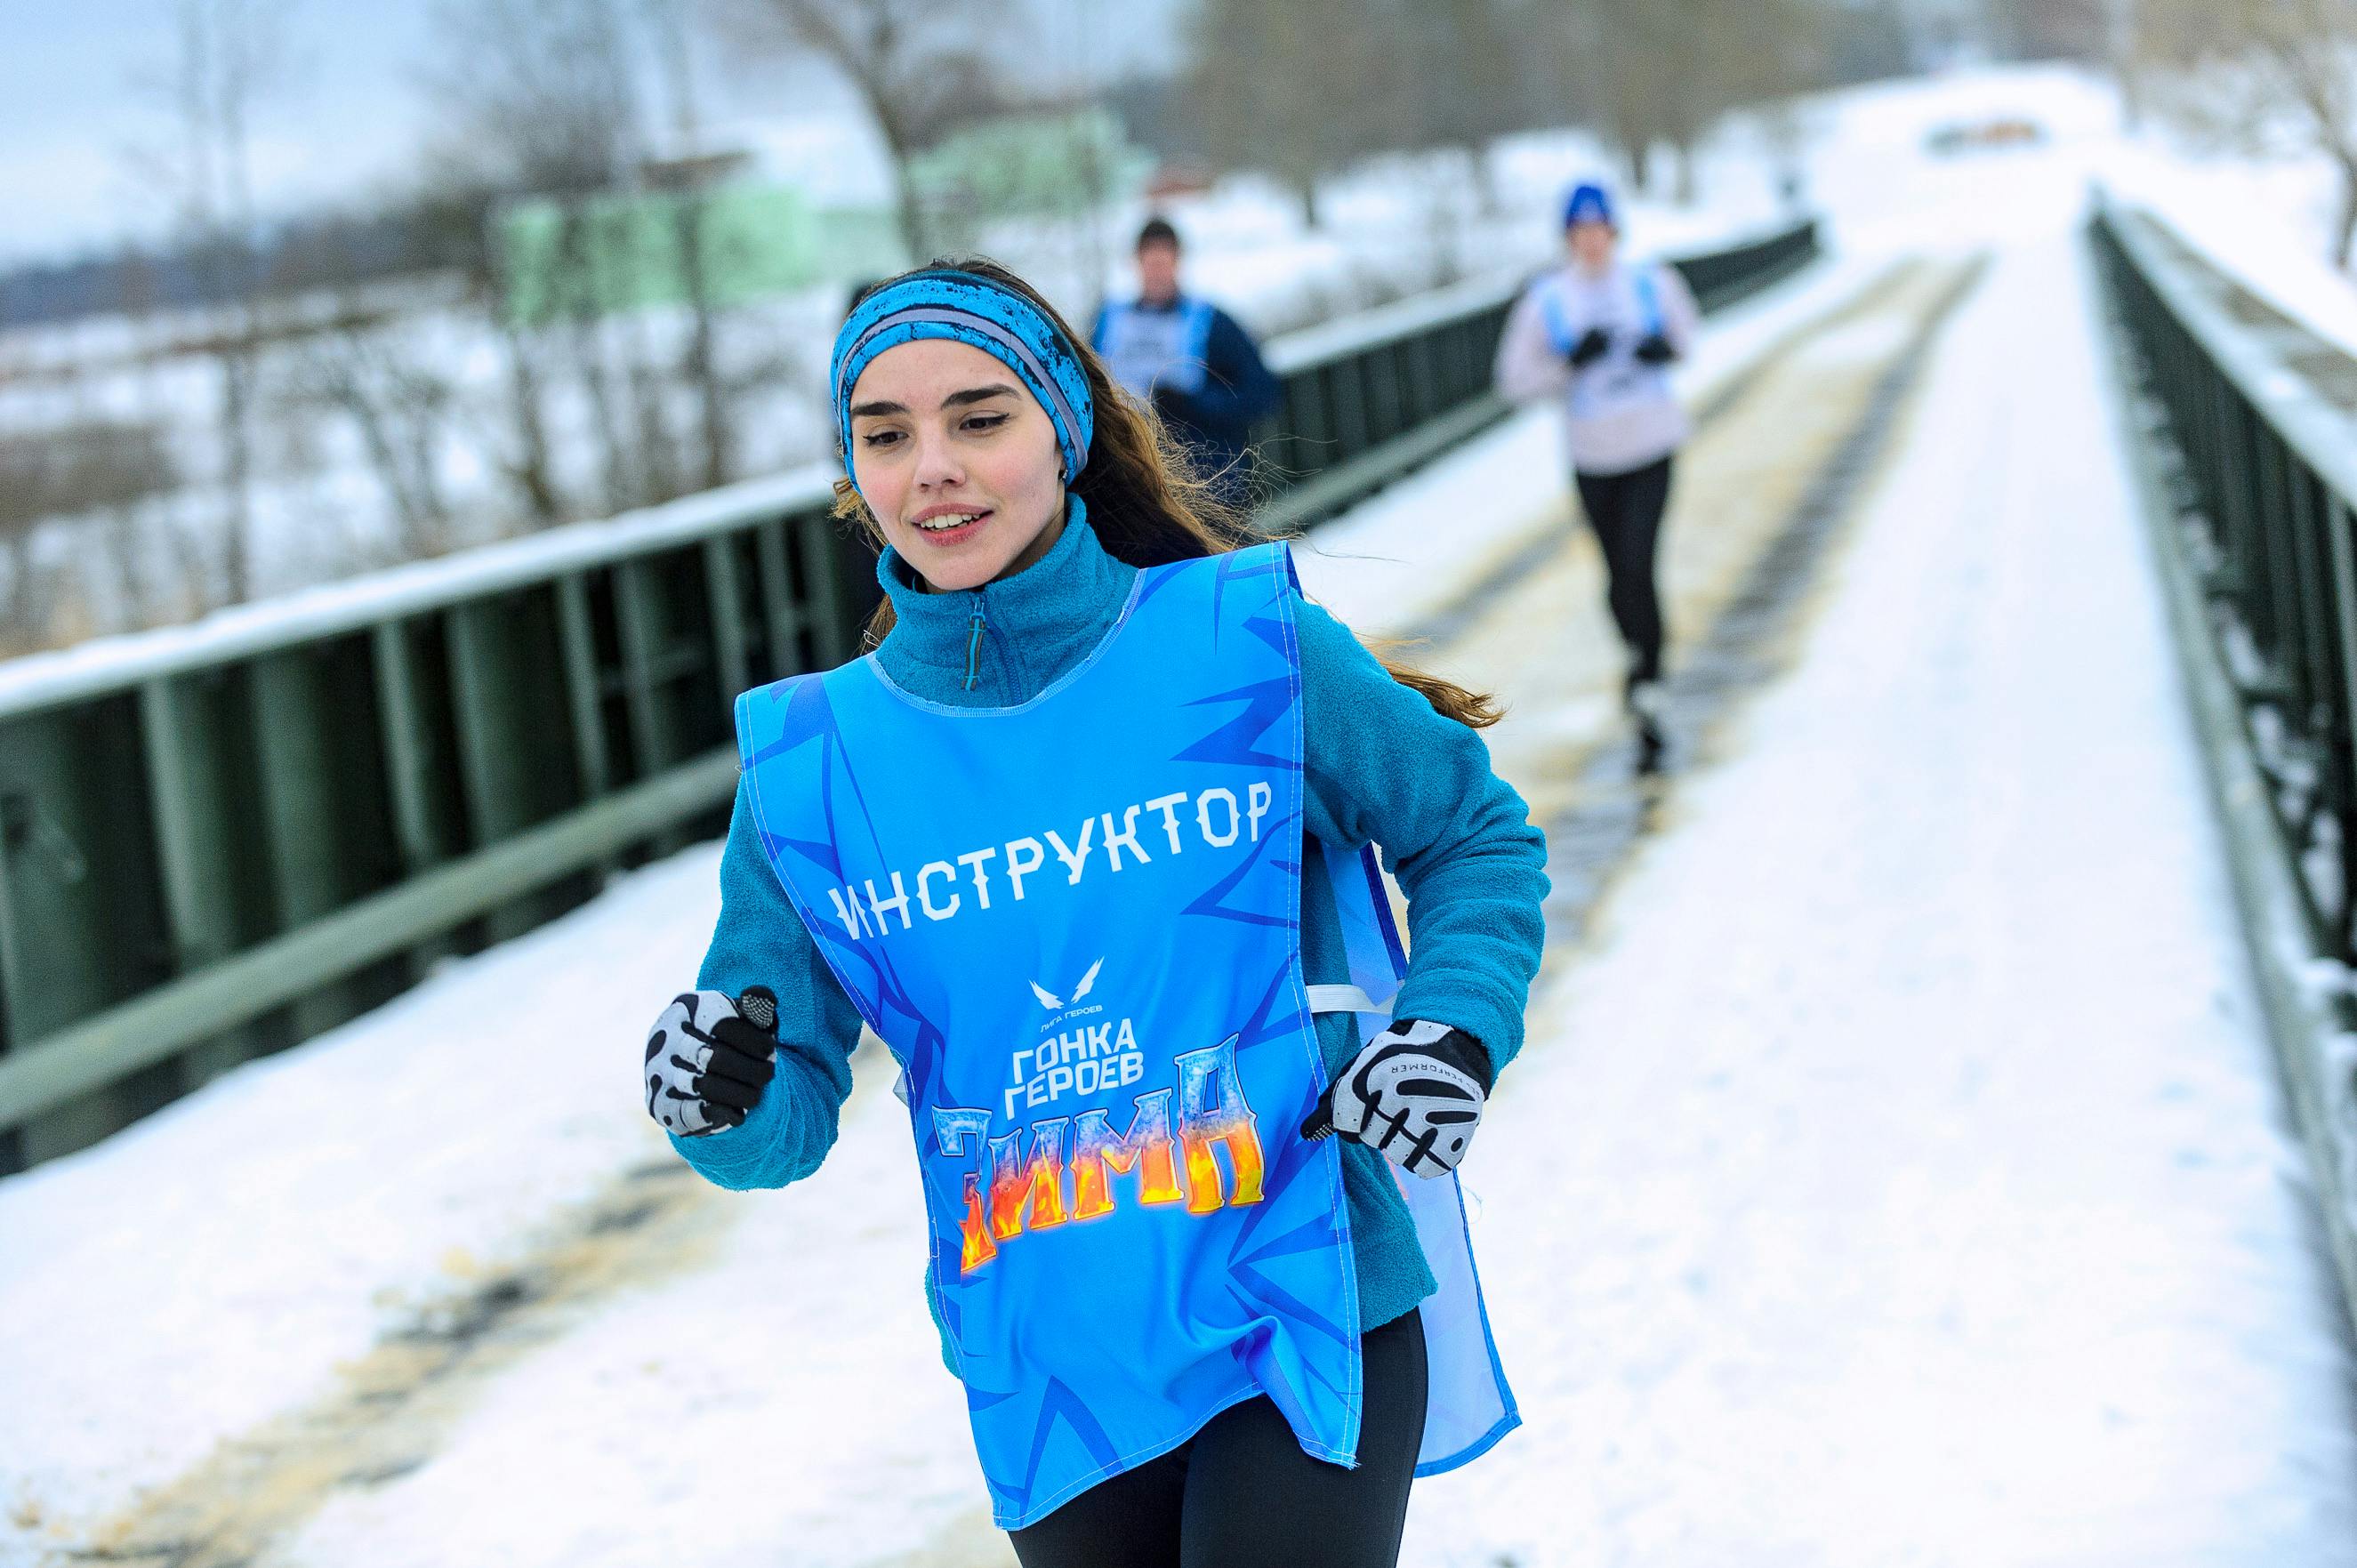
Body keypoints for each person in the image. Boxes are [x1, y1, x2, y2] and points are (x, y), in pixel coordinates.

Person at [641, 256, 1549, 1566]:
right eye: (885, 435)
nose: (933, 467)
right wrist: (714, 1097)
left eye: (979, 417)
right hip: (1050, 1374)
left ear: (1063, 427)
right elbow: (777, 1121)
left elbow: (1471, 831)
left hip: (1297, 1293)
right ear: (853, 472)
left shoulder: (1242, 647)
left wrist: (1450, 1026)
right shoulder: (814, 764)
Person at [1493, 181, 1701, 766]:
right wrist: (1567, 365)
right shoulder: (1546, 300)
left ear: (1614, 231)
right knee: (1616, 572)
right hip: (1593, 457)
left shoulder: (1652, 283)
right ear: (1567, 237)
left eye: (1599, 228)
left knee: (1639, 561)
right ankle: (1636, 651)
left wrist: (1664, 350)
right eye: (1579, 231)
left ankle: (1649, 681)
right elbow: (1514, 381)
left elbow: (1688, 338)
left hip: (1652, 446)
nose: (1591, 241)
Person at [1091, 216, 1282, 507]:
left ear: (1178, 261)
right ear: (1136, 262)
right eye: (1150, 263)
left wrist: (1194, 404)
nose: (1157, 273)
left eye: (1164, 263)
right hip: (1131, 484)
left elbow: (1263, 392)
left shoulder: (1211, 323)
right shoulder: (1109, 322)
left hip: (1206, 487)